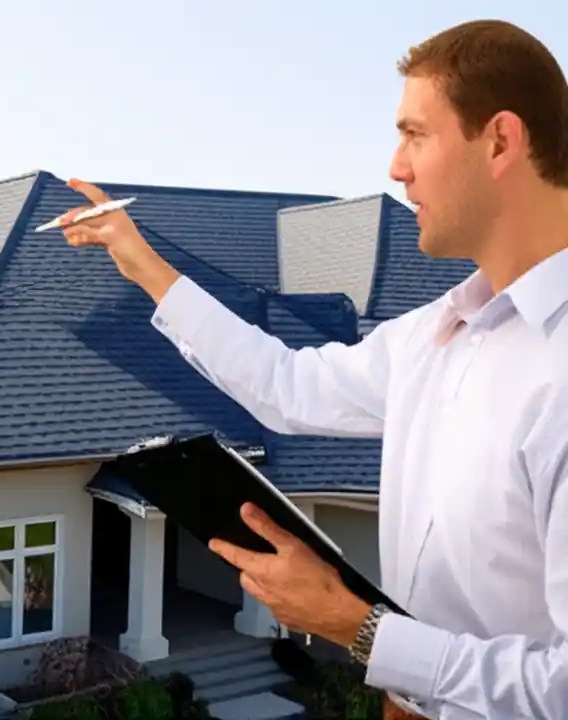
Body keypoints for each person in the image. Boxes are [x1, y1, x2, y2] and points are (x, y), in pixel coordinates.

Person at [56, 18, 568, 720]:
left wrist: (357, 627)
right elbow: (287, 386)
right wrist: (144, 265)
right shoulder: (433, 335)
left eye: (416, 134)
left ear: (501, 141)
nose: (396, 166)